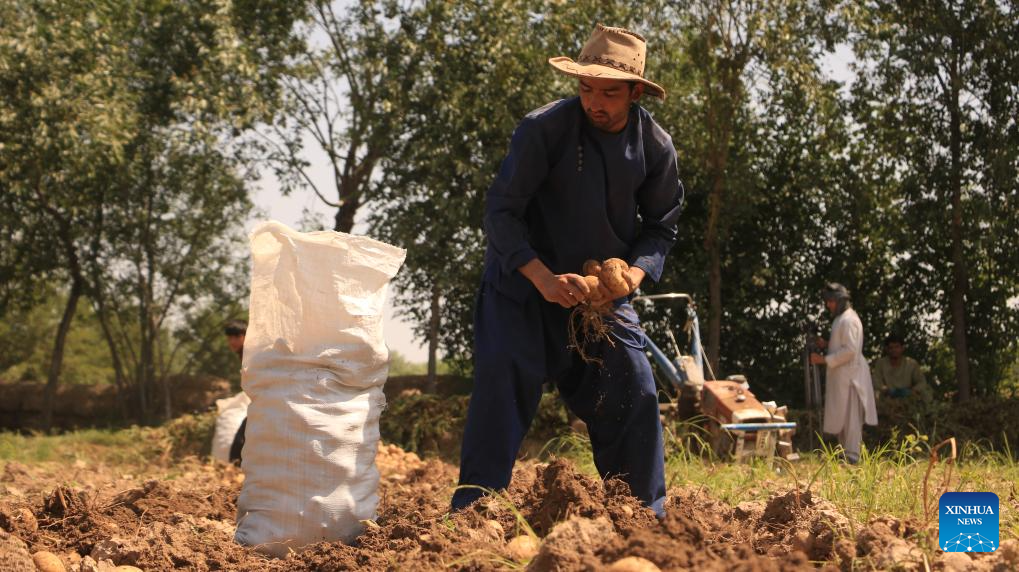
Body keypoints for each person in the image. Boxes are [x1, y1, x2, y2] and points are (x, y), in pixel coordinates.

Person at [451, 24, 684, 517]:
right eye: (585, 88)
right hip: (522, 288)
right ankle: (472, 514)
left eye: (609, 92)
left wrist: (630, 279)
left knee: (636, 387)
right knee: (501, 391)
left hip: (599, 303)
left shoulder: (655, 147)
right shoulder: (543, 130)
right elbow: (501, 213)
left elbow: (661, 228)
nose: (594, 101)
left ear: (636, 92)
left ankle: (642, 514)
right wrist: (542, 278)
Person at [810, 283, 877, 464]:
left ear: (839, 301)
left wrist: (823, 360)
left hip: (851, 378)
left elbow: (850, 350)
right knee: (842, 418)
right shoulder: (841, 319)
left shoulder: (849, 320)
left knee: (851, 419)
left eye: (831, 301)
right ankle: (845, 455)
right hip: (842, 377)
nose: (828, 305)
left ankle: (853, 457)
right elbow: (841, 345)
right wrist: (826, 345)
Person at [872, 333, 932, 401]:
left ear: (902, 348)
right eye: (891, 347)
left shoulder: (911, 364)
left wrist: (912, 391)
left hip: (909, 398)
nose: (894, 350)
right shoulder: (881, 363)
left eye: (897, 347)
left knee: (926, 393)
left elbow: (922, 382)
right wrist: (886, 390)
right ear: (887, 349)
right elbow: (876, 382)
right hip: (887, 397)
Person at [224, 319, 248, 464]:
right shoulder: (243, 354)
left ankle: (235, 465)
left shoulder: (250, 352)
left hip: (267, 401)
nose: (232, 341)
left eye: (237, 337)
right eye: (230, 338)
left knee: (241, 438)